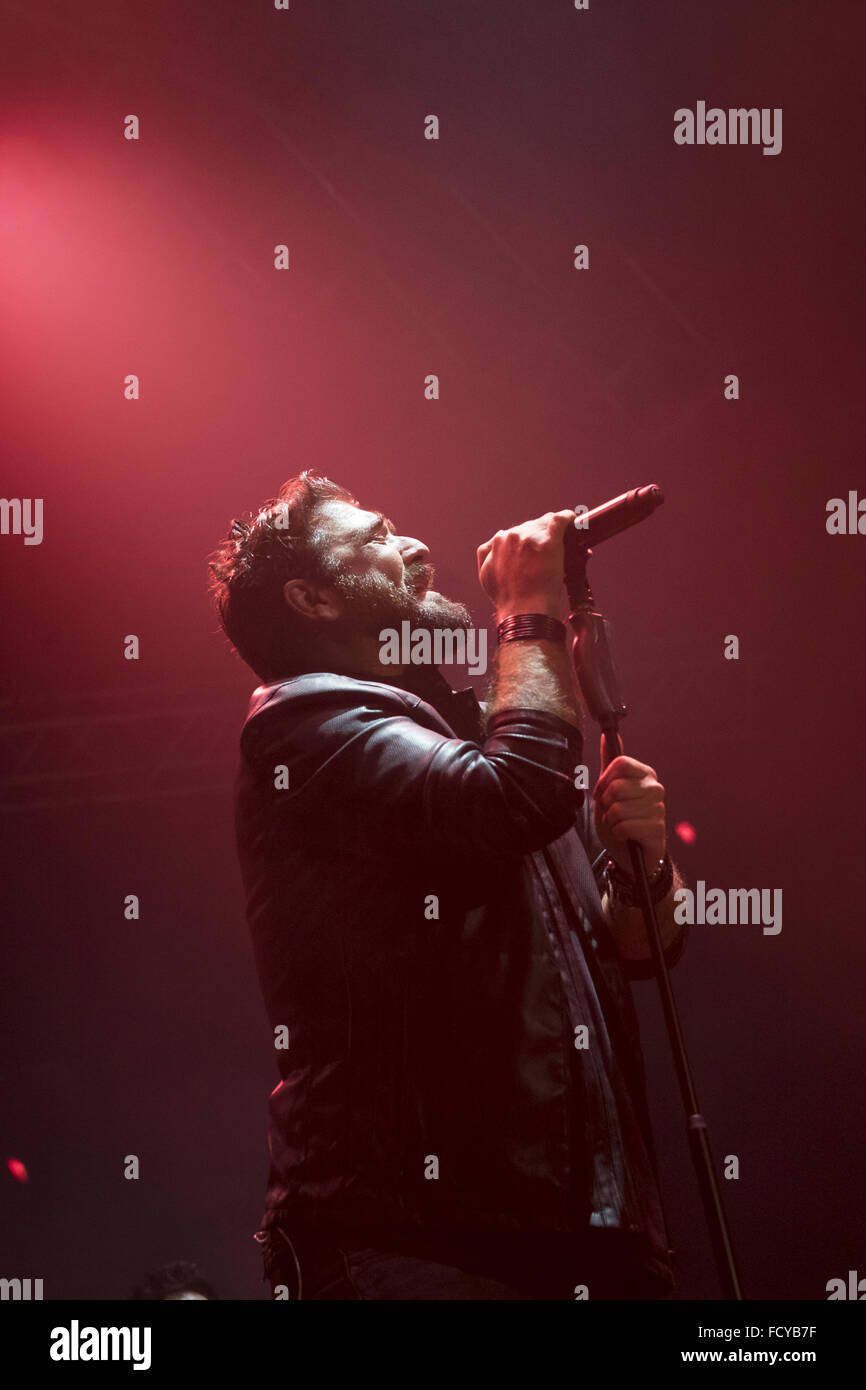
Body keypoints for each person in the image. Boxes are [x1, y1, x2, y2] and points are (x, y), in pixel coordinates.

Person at [208, 471, 689, 1300]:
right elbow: (517, 795)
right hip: (423, 1242)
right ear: (313, 599)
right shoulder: (307, 728)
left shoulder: (472, 736)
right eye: (378, 540)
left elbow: (641, 946)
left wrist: (644, 863)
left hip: (590, 1232)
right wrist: (528, 613)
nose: (419, 549)